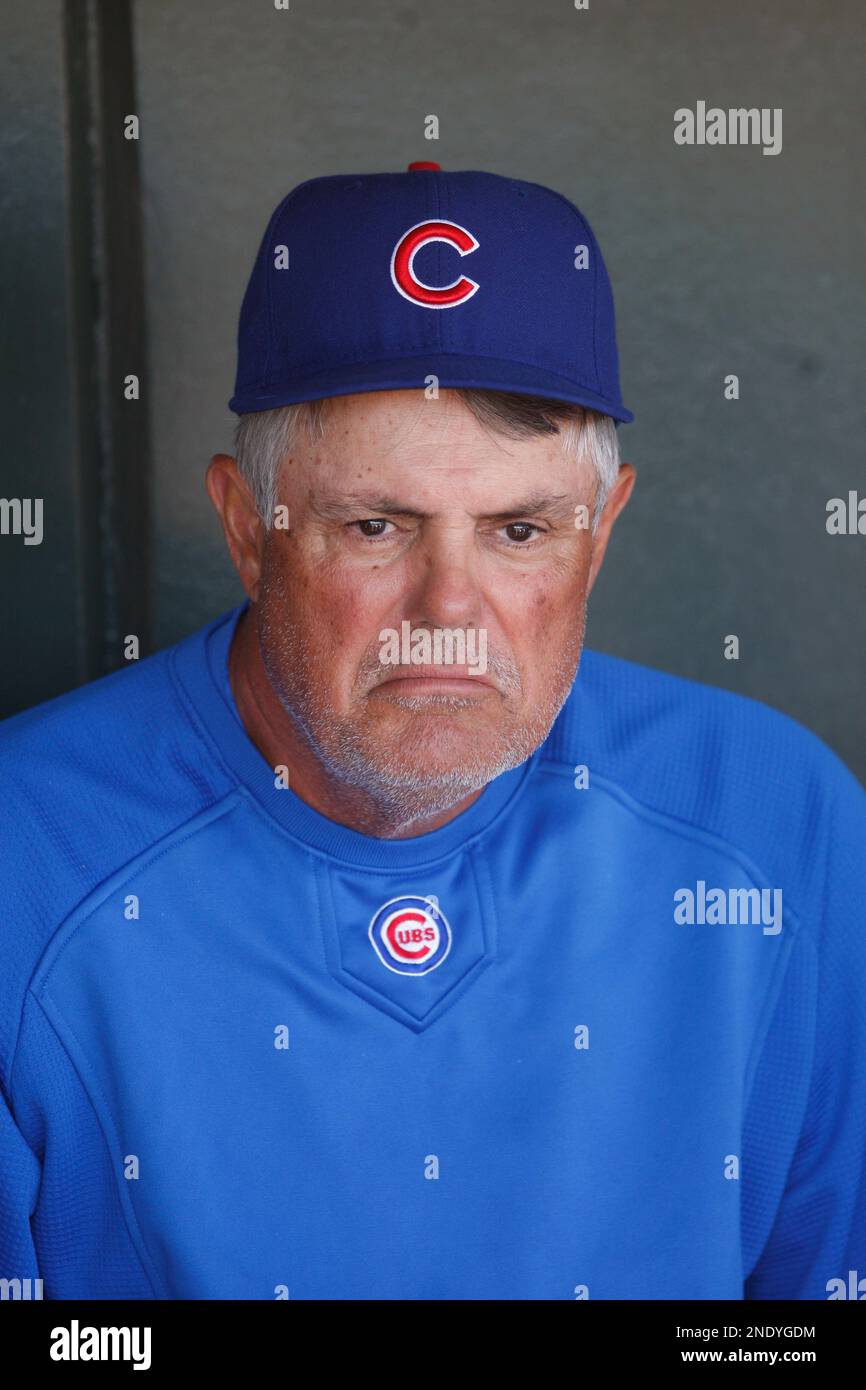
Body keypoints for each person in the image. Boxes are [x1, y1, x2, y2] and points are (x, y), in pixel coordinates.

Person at [1, 164, 864, 1301]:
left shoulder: (772, 819)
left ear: (598, 536)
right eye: (373, 524)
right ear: (245, 531)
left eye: (518, 529)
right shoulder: (27, 849)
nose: (447, 609)